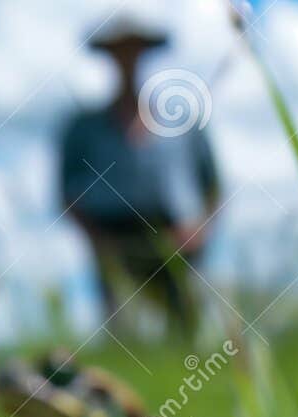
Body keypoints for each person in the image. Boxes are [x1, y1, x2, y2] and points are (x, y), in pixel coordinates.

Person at [59, 17, 221, 334]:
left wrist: (199, 229)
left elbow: (211, 184)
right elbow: (67, 190)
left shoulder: (181, 123)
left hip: (172, 232)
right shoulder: (83, 126)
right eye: (119, 51)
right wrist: (96, 237)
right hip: (112, 233)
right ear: (109, 57)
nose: (127, 59)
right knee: (122, 328)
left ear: (145, 53)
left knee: (184, 322)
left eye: (134, 50)